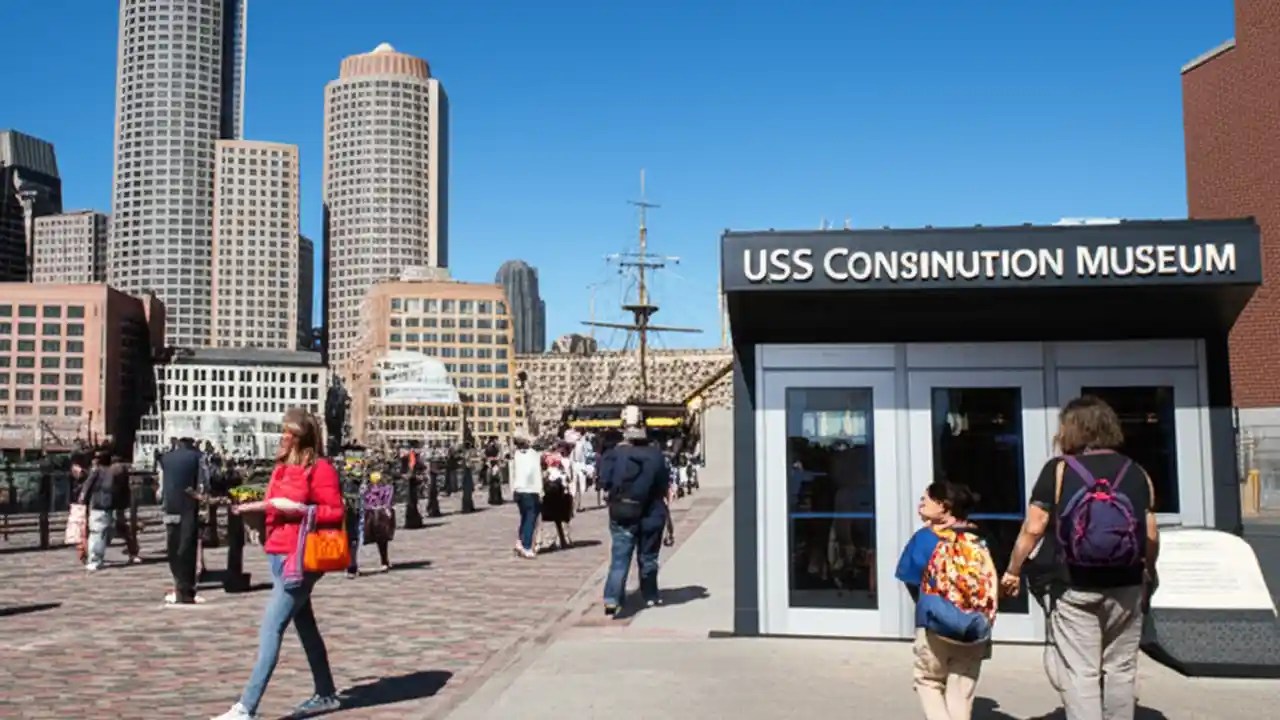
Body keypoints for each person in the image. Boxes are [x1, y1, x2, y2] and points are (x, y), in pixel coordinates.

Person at [1001, 396, 1160, 720]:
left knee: (1080, 672)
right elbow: (1152, 534)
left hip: (1073, 585)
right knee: (1121, 668)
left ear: (1071, 430)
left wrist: (1013, 569)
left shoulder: (1058, 470)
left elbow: (1034, 528)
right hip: (1127, 583)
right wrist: (1148, 572)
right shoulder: (1136, 472)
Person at [216, 408, 344, 720]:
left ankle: (246, 707)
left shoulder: (321, 469)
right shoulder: (281, 468)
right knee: (306, 627)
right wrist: (253, 509)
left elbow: (336, 512)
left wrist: (301, 509)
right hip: (277, 552)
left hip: (299, 559)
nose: (284, 437)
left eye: (291, 433)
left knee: (271, 628)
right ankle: (326, 693)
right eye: (284, 431)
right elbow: (273, 505)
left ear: (304, 438)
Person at [895, 481, 997, 720]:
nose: (921, 503)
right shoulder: (980, 537)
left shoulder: (924, 539)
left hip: (936, 624)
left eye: (926, 499)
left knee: (928, 680)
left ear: (943, 507)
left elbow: (911, 580)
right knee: (961, 687)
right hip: (975, 625)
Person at [599, 423, 673, 615]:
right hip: (652, 512)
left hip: (622, 511)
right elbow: (664, 485)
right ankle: (650, 595)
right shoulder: (657, 457)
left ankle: (612, 599)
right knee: (648, 557)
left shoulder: (616, 455)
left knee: (619, 558)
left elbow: (604, 481)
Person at [159, 437, 207, 604]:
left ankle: (177, 582)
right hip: (188, 504)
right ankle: (186, 588)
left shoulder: (165, 458)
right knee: (187, 546)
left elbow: (161, 486)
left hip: (170, 505)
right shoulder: (197, 457)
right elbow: (203, 482)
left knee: (173, 545)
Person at [510, 434, 542, 559]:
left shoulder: (516, 455)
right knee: (531, 518)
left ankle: (520, 541)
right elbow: (535, 472)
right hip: (530, 489)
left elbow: (512, 472)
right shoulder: (533, 454)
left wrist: (513, 489)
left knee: (524, 516)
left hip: (518, 489)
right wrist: (540, 490)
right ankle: (527, 545)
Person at [83, 451, 115, 571]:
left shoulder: (97, 471)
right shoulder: (112, 472)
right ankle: (99, 557)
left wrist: (82, 499)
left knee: (96, 532)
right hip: (109, 504)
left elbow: (87, 486)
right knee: (103, 532)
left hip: (97, 504)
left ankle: (95, 560)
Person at [109, 455, 141, 564]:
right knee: (125, 529)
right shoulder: (126, 469)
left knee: (119, 528)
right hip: (123, 504)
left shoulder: (112, 470)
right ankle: (132, 551)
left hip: (114, 504)